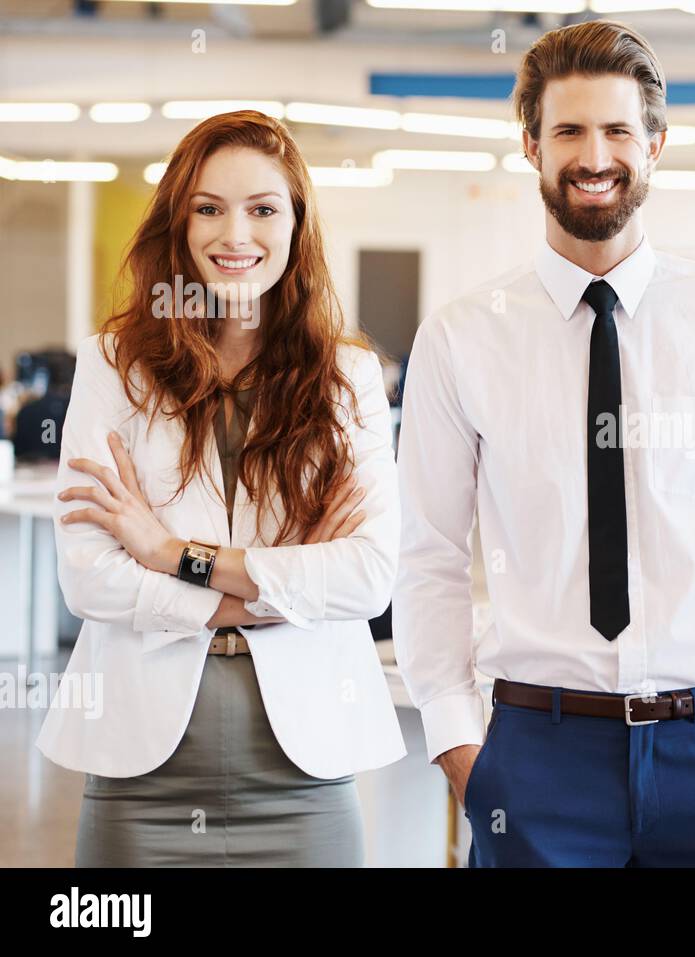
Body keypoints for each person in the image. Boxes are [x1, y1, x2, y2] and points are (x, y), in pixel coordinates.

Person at [394, 18, 695, 867]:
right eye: (569, 131)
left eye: (619, 130)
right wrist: (462, 754)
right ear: (531, 145)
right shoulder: (460, 337)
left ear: (655, 144)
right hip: (535, 755)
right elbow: (428, 555)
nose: (596, 156)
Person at [37, 110, 405, 867]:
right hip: (141, 773)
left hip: (303, 775)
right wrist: (271, 593)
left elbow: (367, 576)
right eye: (209, 208)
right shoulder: (114, 365)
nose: (235, 235)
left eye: (262, 209)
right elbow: (88, 576)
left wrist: (169, 550)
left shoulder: (348, 379)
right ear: (179, 221)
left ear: (296, 225)